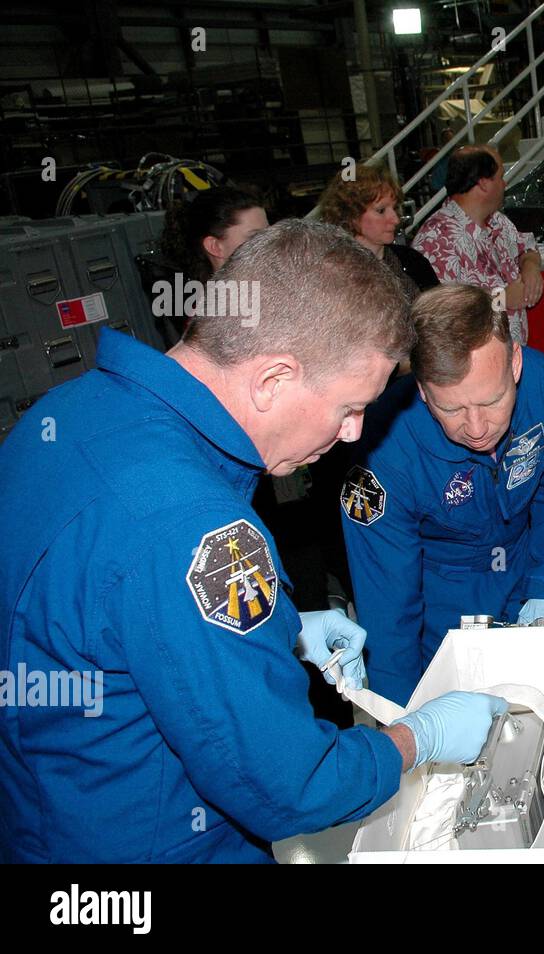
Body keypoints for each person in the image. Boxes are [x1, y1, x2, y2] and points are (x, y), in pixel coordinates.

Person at [0, 220, 505, 863]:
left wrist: (276, 624)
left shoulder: (59, 415)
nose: (354, 434)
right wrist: (418, 738)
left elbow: (113, 615)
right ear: (273, 380)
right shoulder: (194, 526)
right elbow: (292, 786)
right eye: (349, 407)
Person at [340, 284, 544, 704]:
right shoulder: (383, 453)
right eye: (453, 409)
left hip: (527, 563)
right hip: (441, 594)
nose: (476, 429)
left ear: (515, 363)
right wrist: (404, 720)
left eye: (492, 401)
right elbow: (388, 605)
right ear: (423, 390)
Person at [412, 146, 543, 344]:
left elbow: (526, 247)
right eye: (500, 176)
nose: (504, 183)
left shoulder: (499, 222)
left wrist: (531, 266)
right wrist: (502, 299)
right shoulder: (436, 239)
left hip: (511, 355)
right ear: (483, 184)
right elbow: (441, 313)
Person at [156, 185, 268, 343]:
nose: (269, 245)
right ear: (215, 247)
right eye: (254, 238)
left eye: (268, 235)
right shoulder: (213, 321)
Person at [316, 164, 439, 299]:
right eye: (381, 210)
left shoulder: (413, 261)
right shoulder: (333, 275)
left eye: (395, 208)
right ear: (351, 216)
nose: (395, 219)